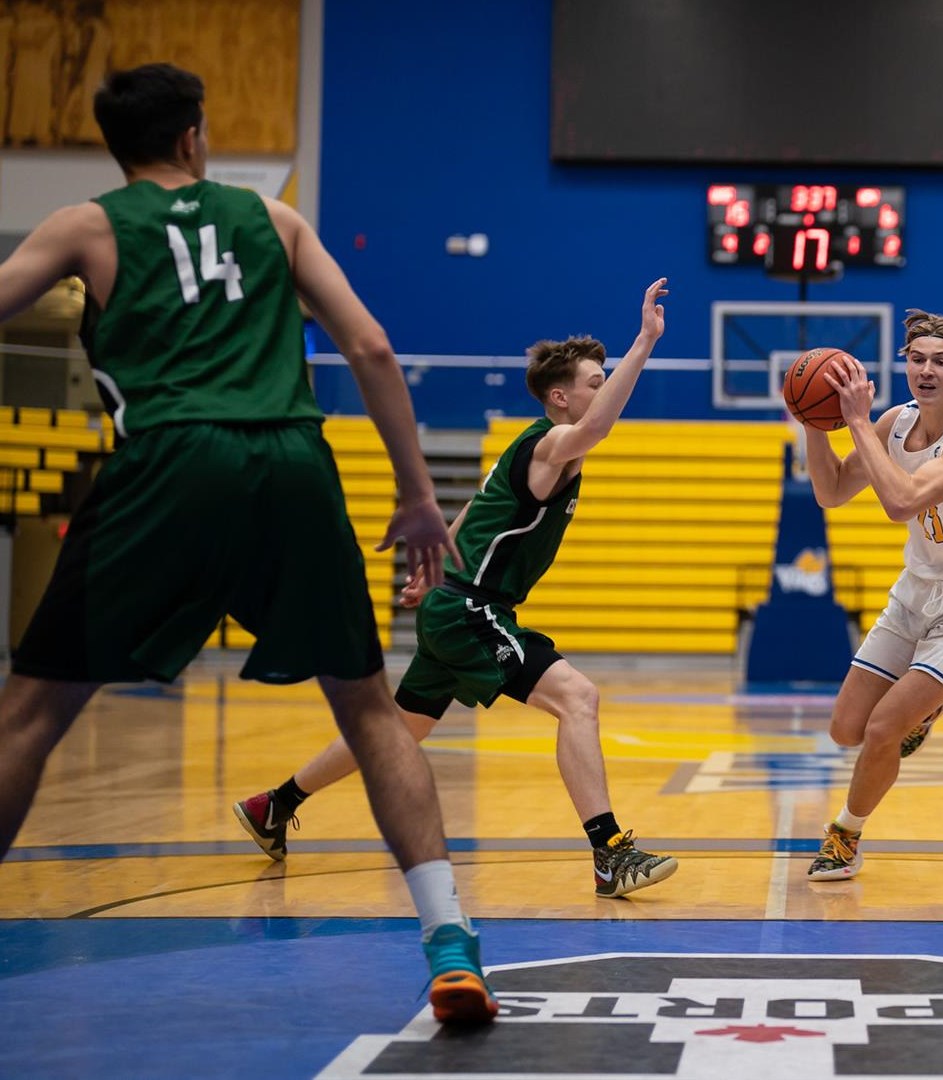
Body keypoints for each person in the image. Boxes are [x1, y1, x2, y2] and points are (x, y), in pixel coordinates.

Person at [0, 64, 495, 1023]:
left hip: (167, 461)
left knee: (31, 715)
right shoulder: (272, 220)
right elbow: (372, 348)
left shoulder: (87, 225)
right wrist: (417, 497)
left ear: (119, 146)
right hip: (290, 463)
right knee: (369, 713)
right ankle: (449, 943)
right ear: (194, 135)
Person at [235, 292, 681, 900]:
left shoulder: (532, 449)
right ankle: (610, 855)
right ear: (561, 397)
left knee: (400, 729)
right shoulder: (551, 445)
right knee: (578, 698)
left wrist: (434, 563)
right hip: (473, 608)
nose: (600, 393)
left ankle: (274, 804)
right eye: (594, 382)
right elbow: (598, 427)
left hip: (457, 602)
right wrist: (646, 340)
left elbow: (479, 504)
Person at [798, 310, 943, 881]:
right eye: (917, 359)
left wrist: (853, 421)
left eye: (941, 362)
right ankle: (927, 705)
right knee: (845, 729)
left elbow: (900, 502)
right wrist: (812, 422)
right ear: (905, 364)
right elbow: (830, 493)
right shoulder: (895, 422)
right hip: (915, 590)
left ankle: (845, 835)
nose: (927, 370)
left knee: (882, 730)